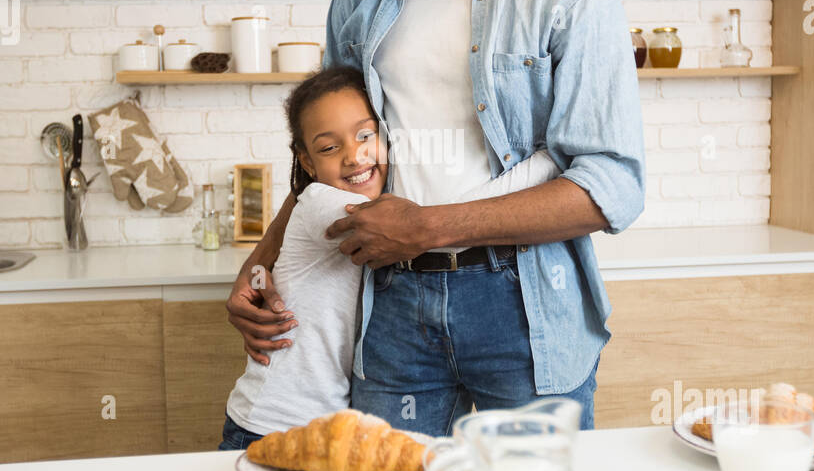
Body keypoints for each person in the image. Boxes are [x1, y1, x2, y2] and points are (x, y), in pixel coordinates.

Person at [226, 0, 644, 437]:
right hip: (390, 308)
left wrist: (430, 226)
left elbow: (611, 187)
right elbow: (332, 157)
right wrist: (262, 264)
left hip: (523, 305)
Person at [219, 66, 559, 450]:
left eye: (365, 135)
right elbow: (426, 222)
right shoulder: (322, 204)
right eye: (329, 148)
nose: (353, 156)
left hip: (320, 423)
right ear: (308, 163)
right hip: (271, 422)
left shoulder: (357, 201)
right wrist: (546, 164)